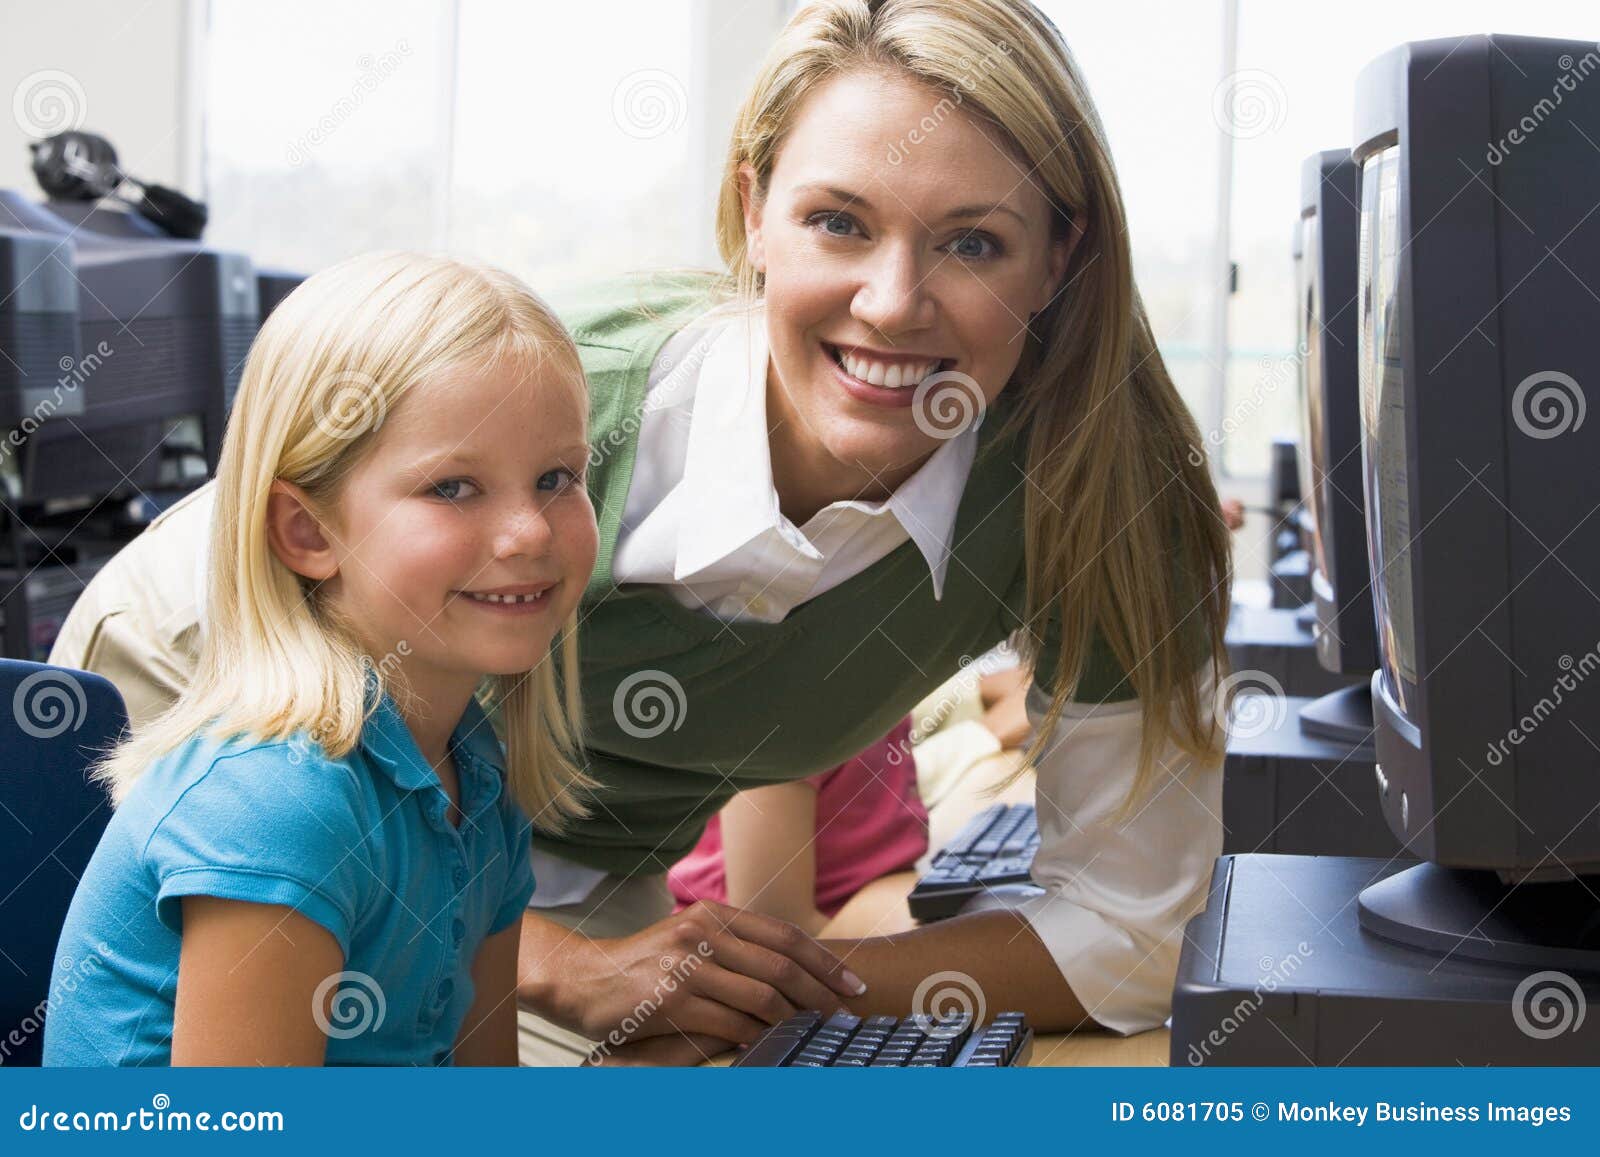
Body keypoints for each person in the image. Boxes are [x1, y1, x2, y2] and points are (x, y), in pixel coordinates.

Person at [51, 0, 1233, 1066]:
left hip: (503, 859)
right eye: (836, 222)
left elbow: (1136, 925)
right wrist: (549, 964)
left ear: (1060, 255)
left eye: (973, 242)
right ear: (752, 207)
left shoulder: (1103, 495)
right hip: (208, 680)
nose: (891, 301)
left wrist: (789, 987)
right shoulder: (574, 414)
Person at [43, 253, 599, 1066]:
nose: (531, 532)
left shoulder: (475, 776)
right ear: (307, 532)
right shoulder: (280, 802)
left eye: (557, 476)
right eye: (452, 487)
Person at [668, 717, 929, 935]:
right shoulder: (784, 721)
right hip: (785, 945)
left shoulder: (884, 692)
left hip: (876, 898)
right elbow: (771, 922)